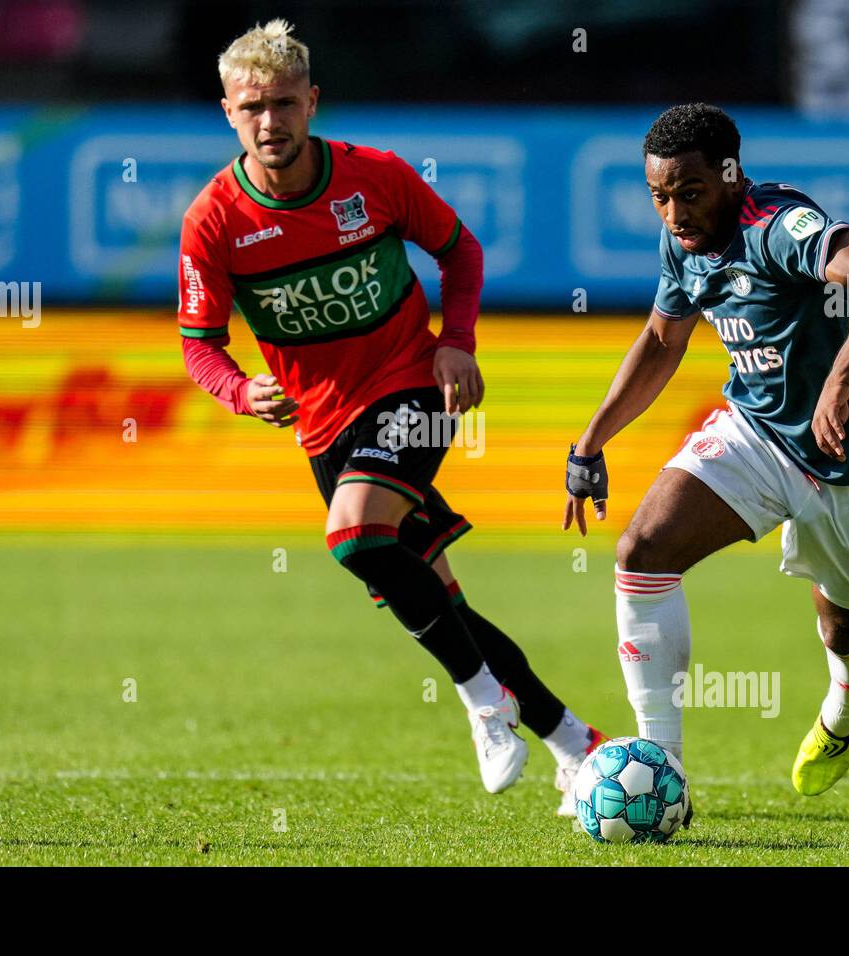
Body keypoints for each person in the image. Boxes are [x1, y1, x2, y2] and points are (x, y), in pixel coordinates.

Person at [180, 20, 604, 812]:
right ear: (228, 113)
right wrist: (242, 391)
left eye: (283, 104)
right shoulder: (213, 222)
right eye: (251, 108)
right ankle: (575, 742)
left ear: (312, 102)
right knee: (442, 600)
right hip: (321, 428)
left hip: (414, 388)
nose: (269, 122)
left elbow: (460, 251)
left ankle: (482, 701)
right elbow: (199, 345)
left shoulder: (372, 178)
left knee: (352, 536)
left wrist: (458, 342)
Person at [564, 103, 849, 806]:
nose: (673, 213)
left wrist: (840, 382)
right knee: (641, 552)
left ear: (732, 177)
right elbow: (664, 342)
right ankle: (661, 773)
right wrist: (589, 442)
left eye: (689, 193)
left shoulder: (778, 227)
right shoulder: (684, 245)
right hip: (754, 432)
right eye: (659, 196)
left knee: (845, 626)